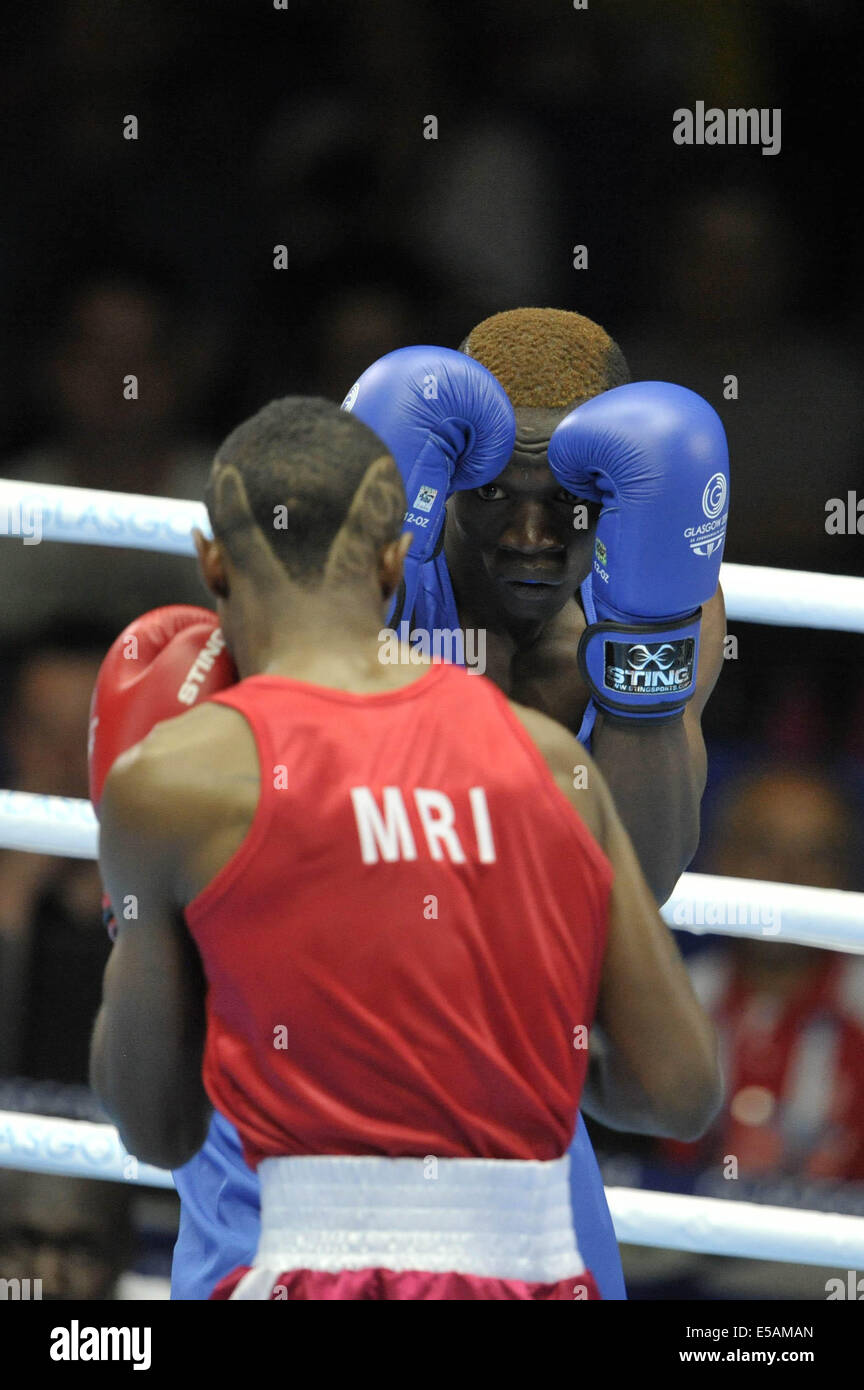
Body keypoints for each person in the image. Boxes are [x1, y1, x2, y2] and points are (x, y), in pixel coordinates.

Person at [90, 396, 720, 1300]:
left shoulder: (173, 783)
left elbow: (155, 1126)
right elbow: (680, 1090)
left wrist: (134, 917)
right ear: (395, 558)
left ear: (213, 562)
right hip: (534, 1267)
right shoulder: (547, 764)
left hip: (301, 1264)